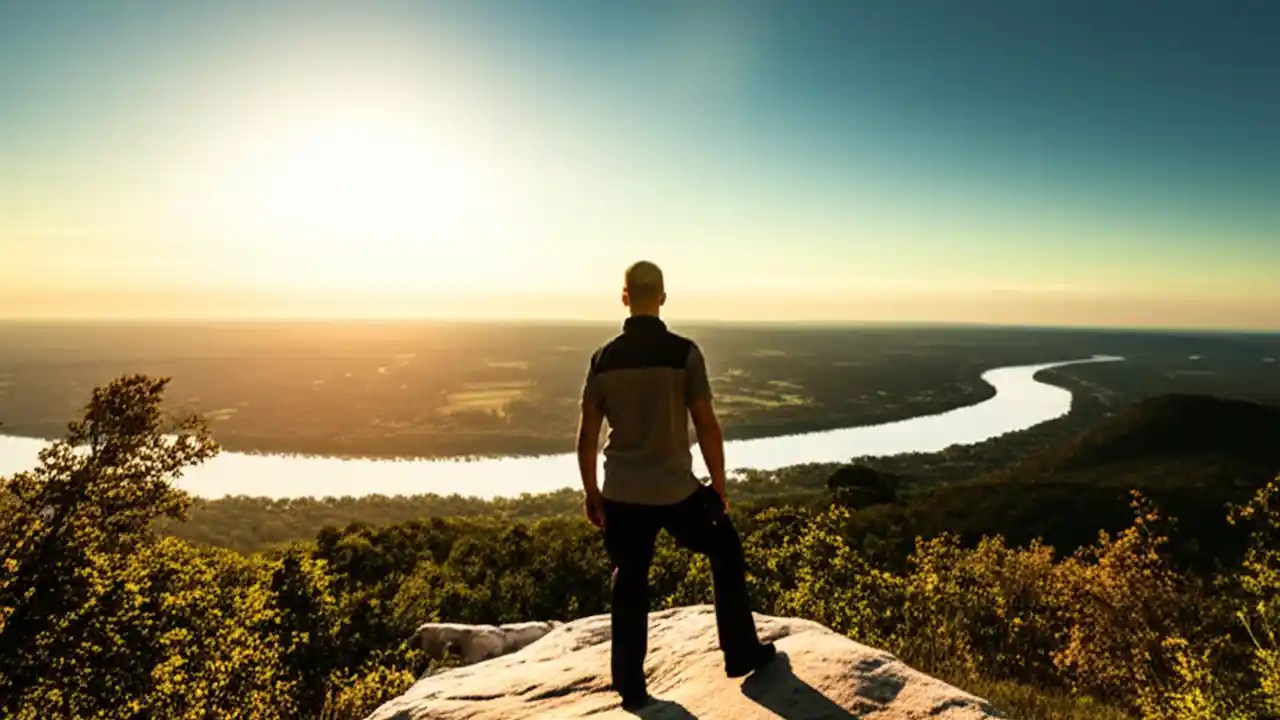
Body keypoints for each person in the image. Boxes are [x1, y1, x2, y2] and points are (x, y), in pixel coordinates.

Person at [576, 260, 776, 710]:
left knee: (629, 579)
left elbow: (588, 435)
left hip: (623, 492)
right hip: (676, 490)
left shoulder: (603, 359)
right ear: (662, 297)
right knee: (724, 547)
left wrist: (591, 492)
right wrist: (719, 487)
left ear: (624, 297)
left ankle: (630, 685)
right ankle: (740, 652)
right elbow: (706, 425)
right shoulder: (684, 352)